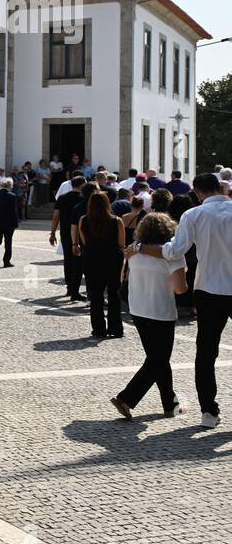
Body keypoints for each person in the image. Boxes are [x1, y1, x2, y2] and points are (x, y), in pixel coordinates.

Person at [127, 172, 232, 428]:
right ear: (221, 188)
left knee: (206, 354)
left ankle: (209, 411)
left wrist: (140, 247)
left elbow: (174, 251)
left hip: (209, 289)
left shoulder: (194, 215)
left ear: (197, 193)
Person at [111, 213, 186, 419]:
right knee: (158, 359)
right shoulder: (173, 254)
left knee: (157, 358)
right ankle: (127, 397)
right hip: (160, 310)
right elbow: (180, 289)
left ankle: (169, 403)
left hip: (137, 309)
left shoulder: (134, 251)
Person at [77, 191, 125, 339]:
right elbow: (121, 244)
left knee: (95, 295)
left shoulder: (83, 220)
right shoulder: (116, 221)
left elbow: (84, 242)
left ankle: (98, 329)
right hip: (112, 260)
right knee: (114, 294)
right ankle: (115, 328)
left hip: (92, 260)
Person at [50, 176, 86, 302]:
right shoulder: (84, 199)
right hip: (80, 233)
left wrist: (52, 232)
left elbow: (55, 217)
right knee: (79, 261)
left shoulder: (62, 197)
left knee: (68, 259)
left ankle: (70, 287)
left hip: (65, 232)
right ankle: (75, 289)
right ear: (82, 185)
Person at [0, 177, 20, 269]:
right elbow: (14, 212)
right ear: (10, 186)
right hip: (9, 223)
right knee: (8, 242)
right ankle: (6, 261)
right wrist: (15, 224)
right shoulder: (12, 196)